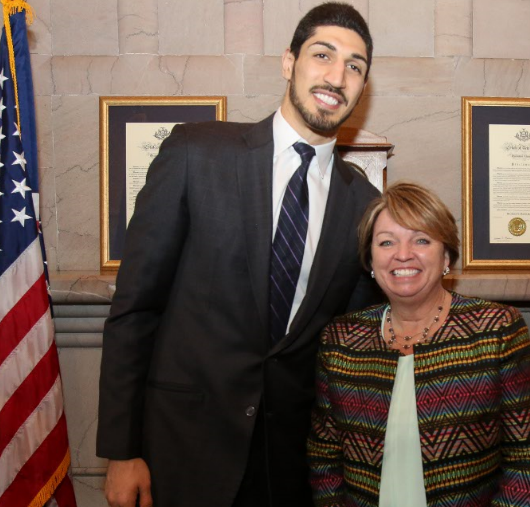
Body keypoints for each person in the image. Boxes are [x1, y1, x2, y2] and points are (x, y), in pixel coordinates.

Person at [97, 4, 380, 507]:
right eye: (323, 55)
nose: (337, 77)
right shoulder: (196, 152)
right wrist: (123, 450)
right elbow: (136, 308)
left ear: (362, 87)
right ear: (289, 62)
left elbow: (354, 341)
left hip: (292, 466)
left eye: (354, 67)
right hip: (182, 450)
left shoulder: (363, 204)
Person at [307, 182, 530, 507]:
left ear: (446, 255)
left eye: (421, 240)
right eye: (386, 242)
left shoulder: (496, 330)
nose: (403, 254)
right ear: (370, 260)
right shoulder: (341, 340)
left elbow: (529, 448)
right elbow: (324, 453)